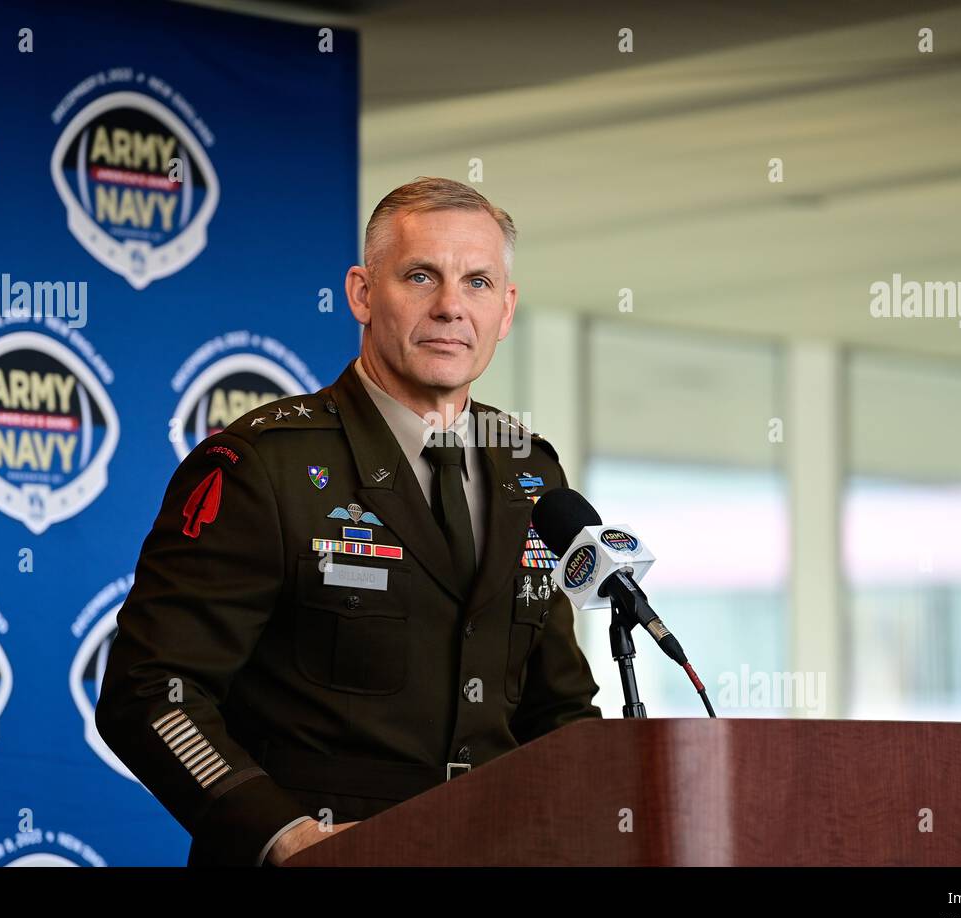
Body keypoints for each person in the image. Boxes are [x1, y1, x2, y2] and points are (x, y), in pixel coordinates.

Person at [95, 176, 602, 867]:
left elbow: (560, 712)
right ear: (362, 293)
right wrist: (287, 837)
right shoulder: (259, 465)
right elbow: (151, 696)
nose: (451, 307)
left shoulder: (530, 474)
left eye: (478, 282)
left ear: (506, 309)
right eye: (421, 276)